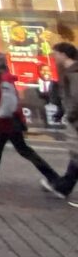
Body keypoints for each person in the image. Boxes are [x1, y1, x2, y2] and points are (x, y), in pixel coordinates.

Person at [0, 55, 64, 191]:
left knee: (19, 150)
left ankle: (53, 177)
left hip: (7, 122)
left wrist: (0, 116)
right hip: (6, 121)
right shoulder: (0, 79)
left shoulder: (4, 80)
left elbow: (8, 102)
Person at [52, 42, 78, 199]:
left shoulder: (73, 73)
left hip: (76, 120)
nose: (54, 57)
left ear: (63, 54)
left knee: (76, 153)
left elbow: (75, 98)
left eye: (56, 54)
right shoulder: (69, 71)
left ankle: (63, 186)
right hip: (73, 118)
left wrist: (71, 115)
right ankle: (63, 186)